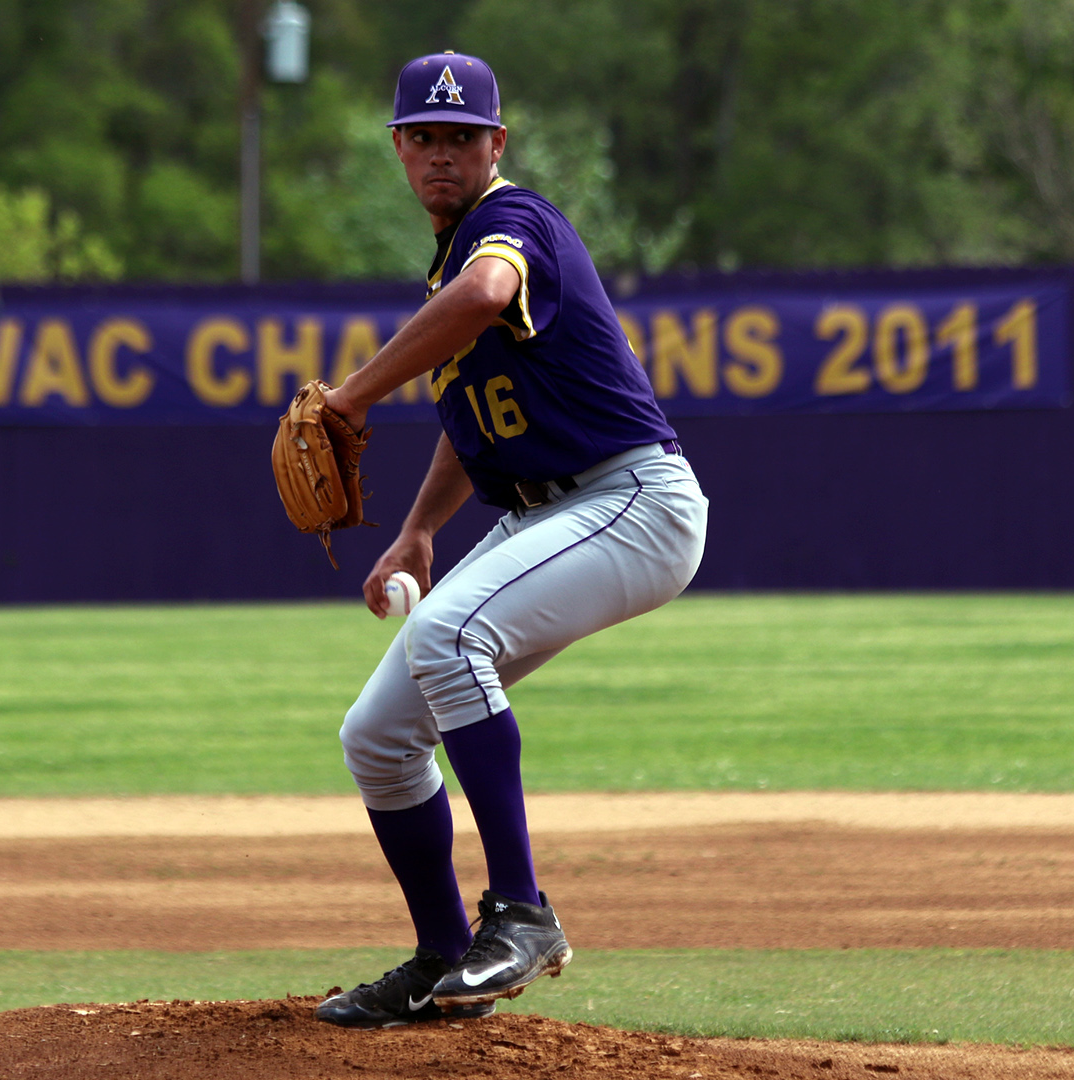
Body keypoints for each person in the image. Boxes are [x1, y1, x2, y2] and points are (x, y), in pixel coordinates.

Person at [310, 52, 709, 1029]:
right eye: (423, 138)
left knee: (451, 639)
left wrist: (353, 394)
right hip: (547, 510)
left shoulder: (509, 222)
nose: (441, 154)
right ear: (401, 150)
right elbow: (473, 416)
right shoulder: (450, 258)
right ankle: (443, 956)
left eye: (461, 137)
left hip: (634, 500)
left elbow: (488, 295)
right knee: (378, 737)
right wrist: (413, 533)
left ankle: (524, 914)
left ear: (496, 145)